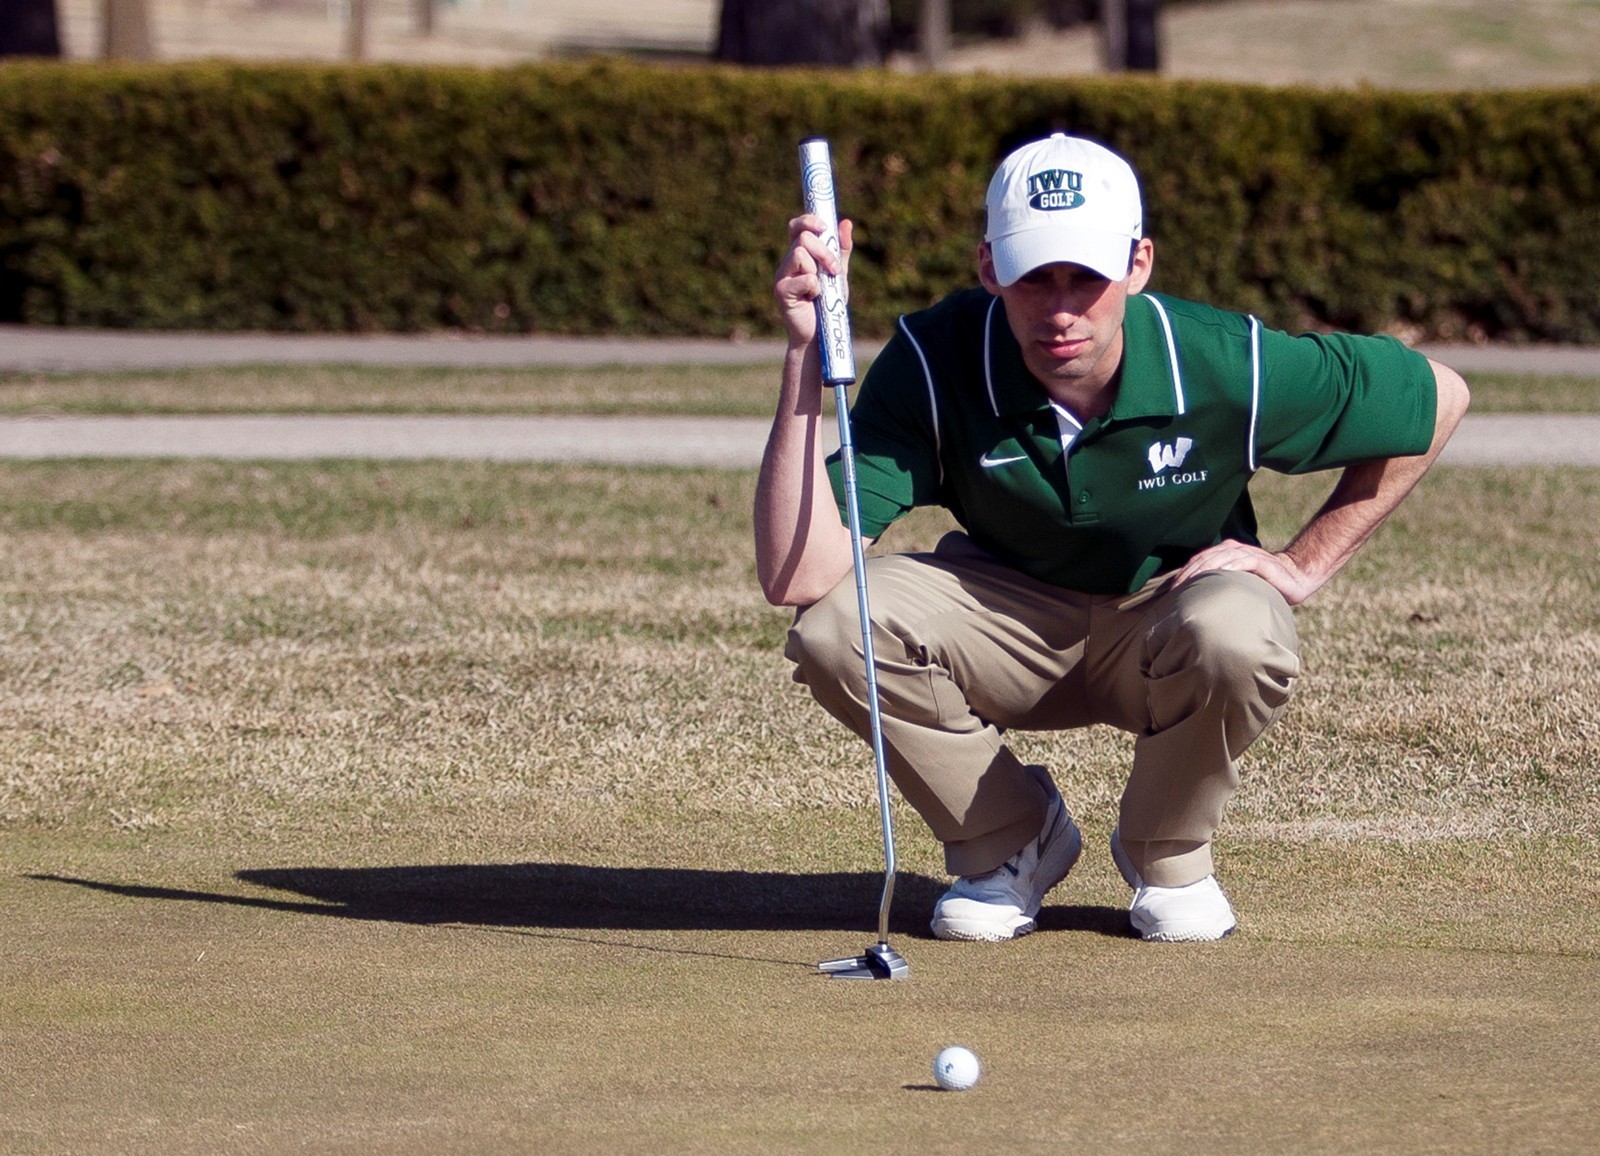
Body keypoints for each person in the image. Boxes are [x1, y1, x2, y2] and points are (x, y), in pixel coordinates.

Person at [755, 133, 1469, 943]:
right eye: (1033, 278)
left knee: (1242, 628)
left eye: (1086, 277)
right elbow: (799, 572)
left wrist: (1304, 564)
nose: (1060, 309)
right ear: (989, 269)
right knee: (835, 628)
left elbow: (1439, 396)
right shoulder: (935, 354)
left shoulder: (1224, 361)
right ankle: (1008, 839)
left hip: (1168, 619)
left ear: (1138, 264)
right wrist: (802, 355)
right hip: (1009, 626)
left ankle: (1168, 854)